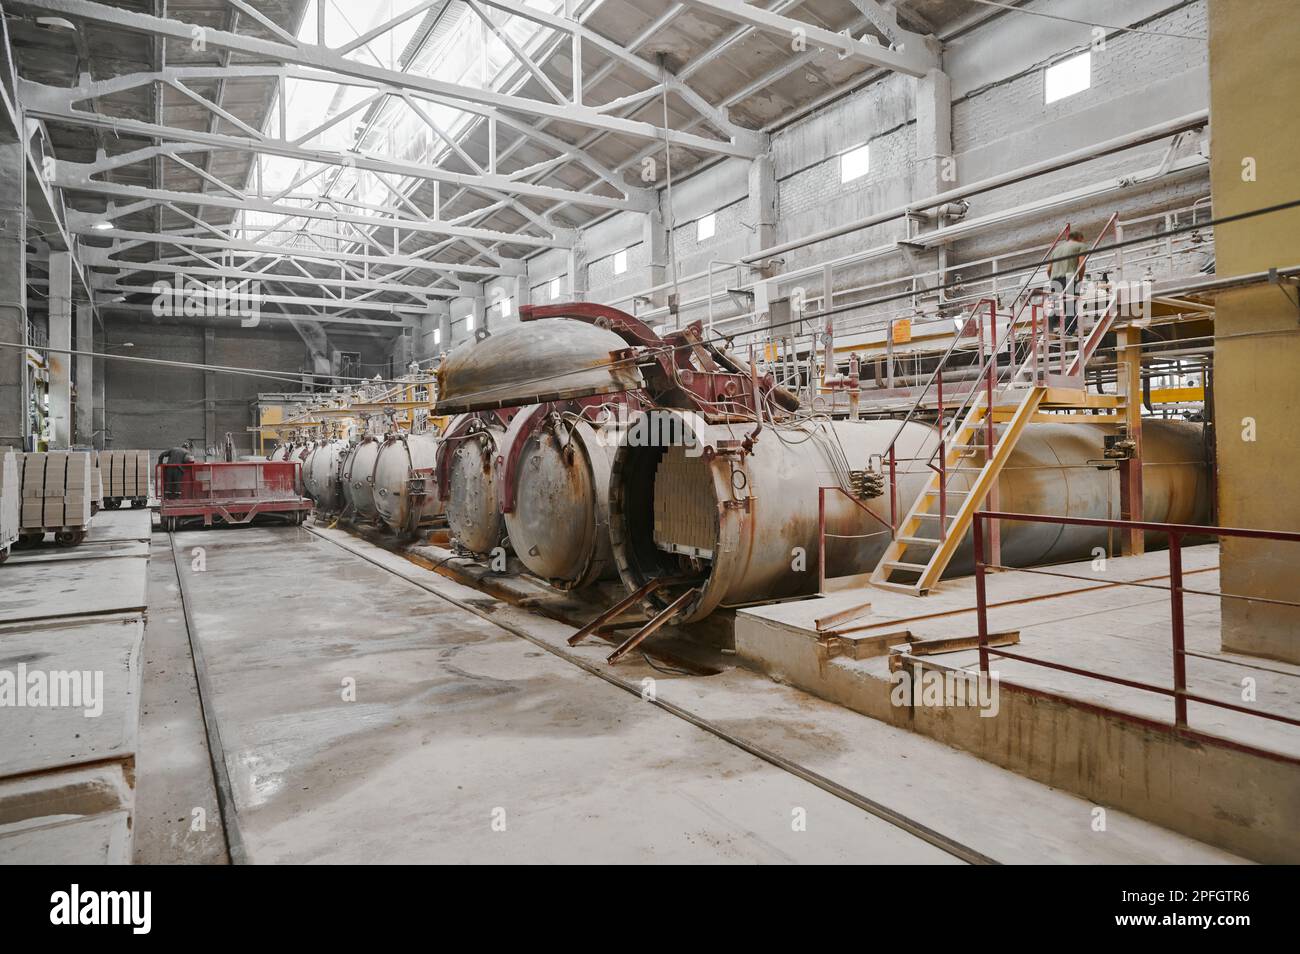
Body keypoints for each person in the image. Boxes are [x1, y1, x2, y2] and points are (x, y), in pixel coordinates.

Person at [1048, 229, 1090, 335]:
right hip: (1069, 278)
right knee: (1072, 306)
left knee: (1058, 307)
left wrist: (1053, 280)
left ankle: (1048, 329)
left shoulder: (1057, 249)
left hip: (1055, 280)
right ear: (1079, 238)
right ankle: (1067, 331)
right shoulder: (1081, 246)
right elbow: (1081, 265)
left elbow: (1048, 269)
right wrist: (1080, 280)